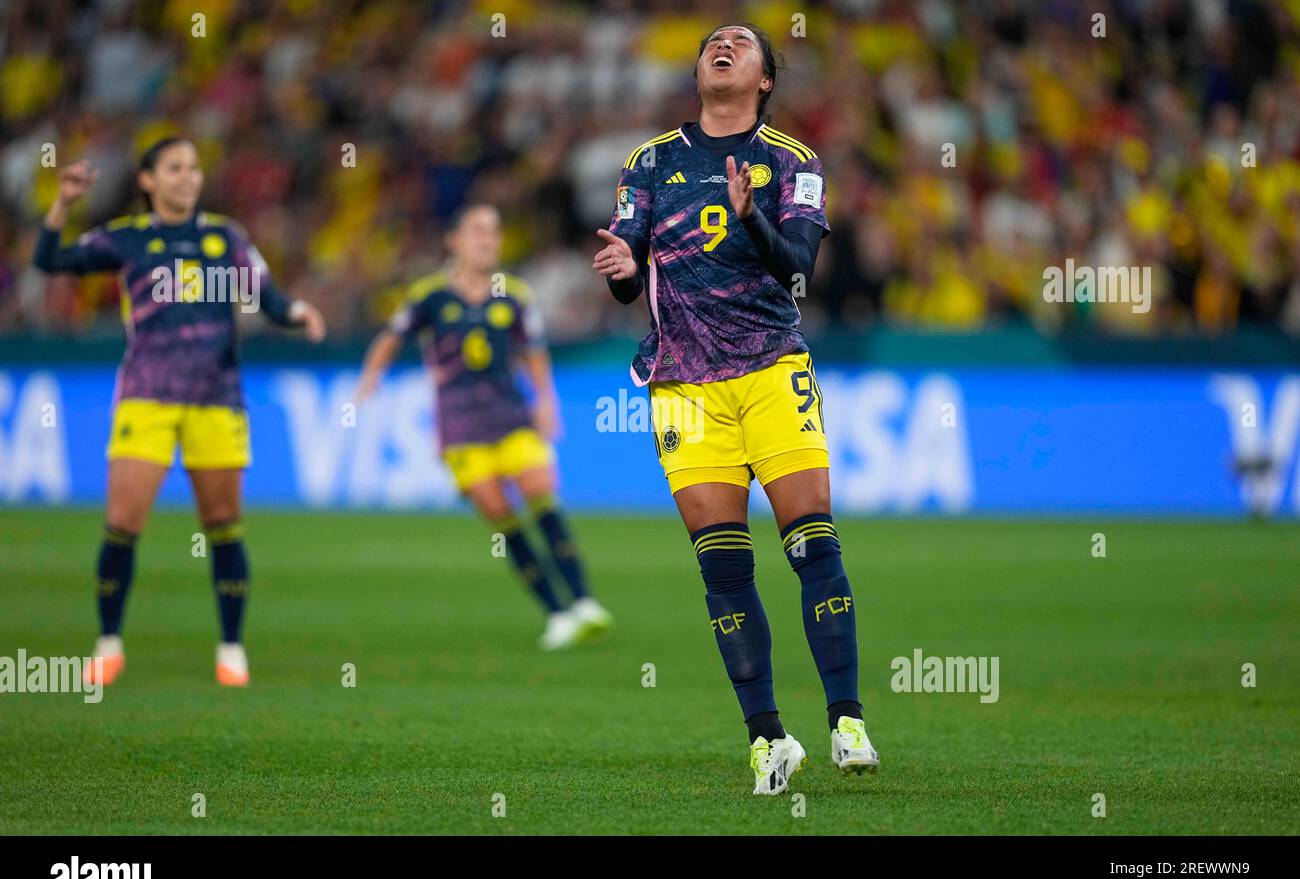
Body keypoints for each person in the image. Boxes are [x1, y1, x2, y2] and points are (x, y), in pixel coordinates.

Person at [591, 24, 879, 794]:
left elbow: (799, 269)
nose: (722, 47)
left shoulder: (793, 161)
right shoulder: (649, 161)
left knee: (812, 542)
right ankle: (767, 740)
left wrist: (751, 213)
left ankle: (846, 717)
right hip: (682, 384)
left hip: (769, 367)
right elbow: (627, 275)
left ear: (764, 79)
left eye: (740, 44)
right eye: (712, 42)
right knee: (722, 566)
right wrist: (623, 267)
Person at [32, 137, 327, 687]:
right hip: (147, 395)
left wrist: (300, 312)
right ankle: (108, 641)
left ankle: (232, 648)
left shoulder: (226, 237)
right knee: (122, 523)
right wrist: (63, 204)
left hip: (216, 399)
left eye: (193, 168)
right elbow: (50, 260)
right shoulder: (128, 239)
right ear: (147, 180)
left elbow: (267, 296)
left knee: (222, 525)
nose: (187, 178)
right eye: (174, 168)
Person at [356, 204, 612, 650]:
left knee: (543, 501)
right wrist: (370, 377)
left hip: (511, 417)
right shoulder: (430, 295)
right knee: (504, 521)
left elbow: (533, 352)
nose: (488, 240)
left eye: (494, 232)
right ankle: (557, 614)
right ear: (454, 241)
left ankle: (584, 601)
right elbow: (391, 337)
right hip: (460, 427)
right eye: (478, 231)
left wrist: (547, 402)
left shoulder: (513, 294)